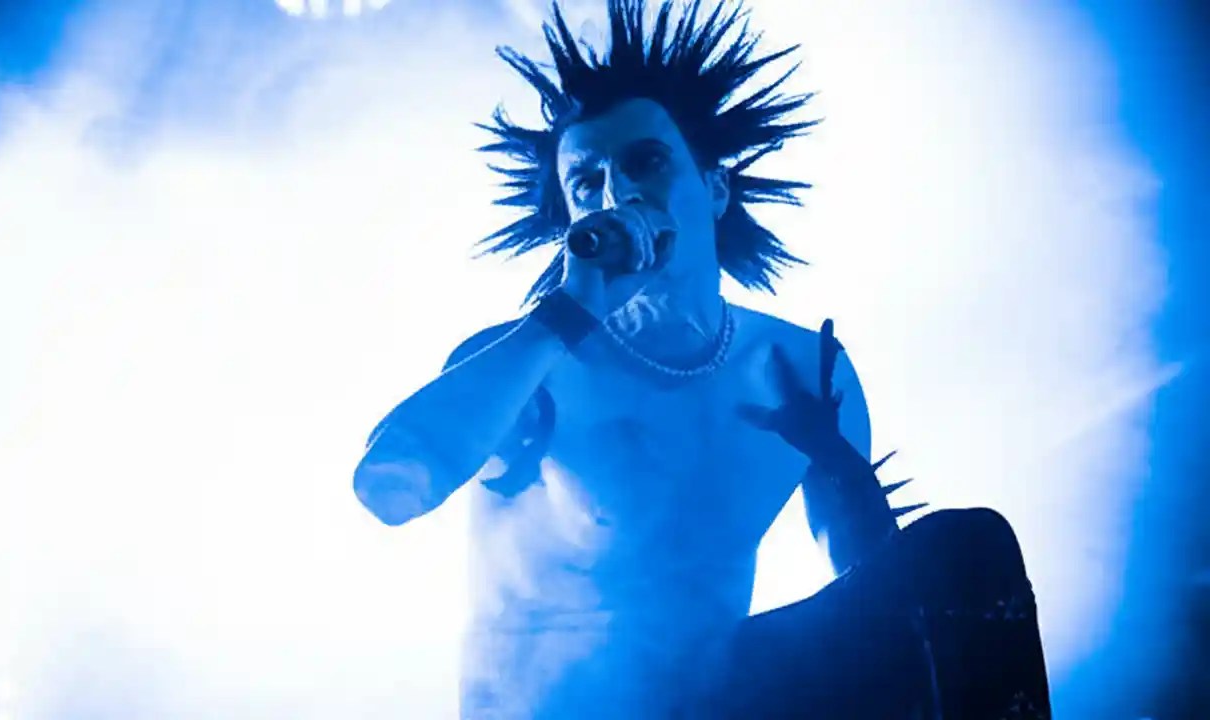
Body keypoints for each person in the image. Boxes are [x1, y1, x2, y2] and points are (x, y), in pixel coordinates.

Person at [353, 1, 1051, 717]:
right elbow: (389, 485)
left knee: (967, 549)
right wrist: (565, 316)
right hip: (565, 705)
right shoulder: (533, 368)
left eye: (645, 162)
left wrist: (844, 475)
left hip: (717, 695)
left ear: (716, 189)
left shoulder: (800, 367)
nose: (617, 194)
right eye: (585, 182)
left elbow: (880, 592)